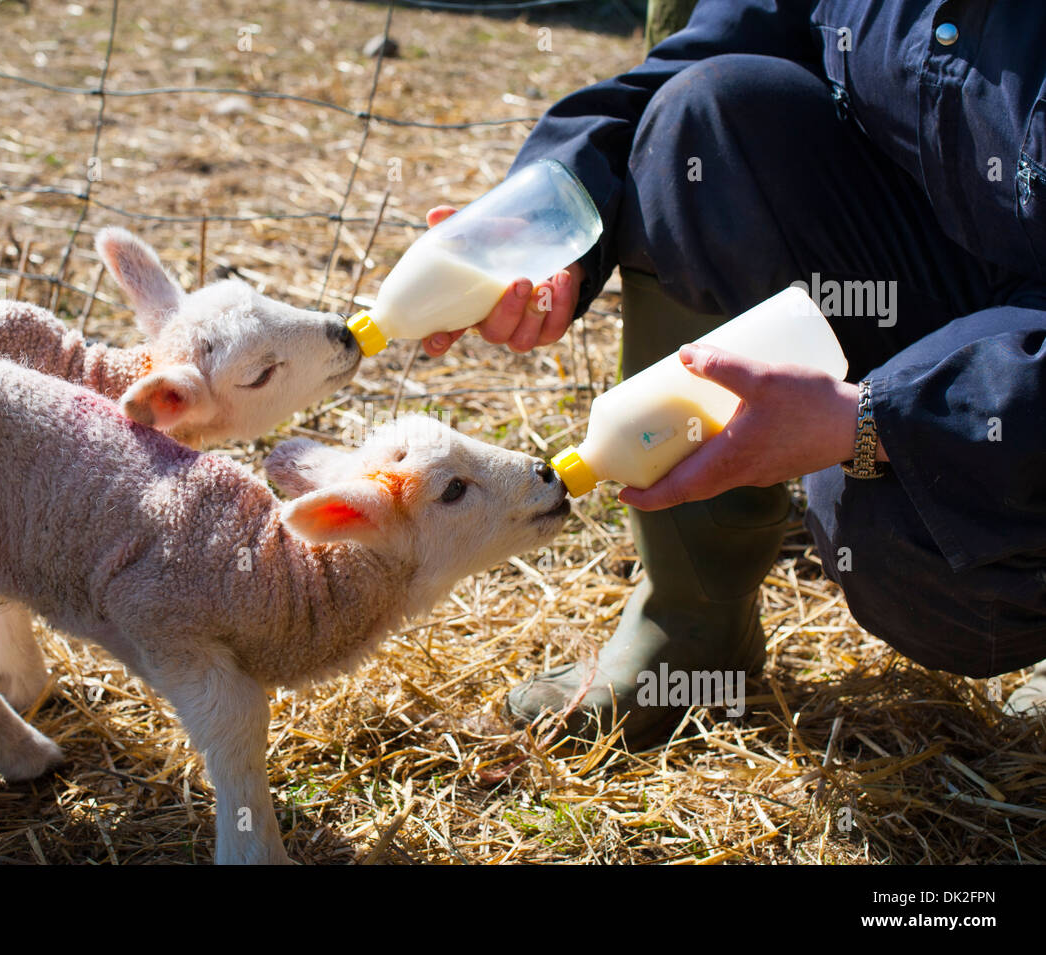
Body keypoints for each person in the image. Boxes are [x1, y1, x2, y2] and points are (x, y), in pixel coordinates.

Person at [424, 0, 1046, 748]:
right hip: (950, 262)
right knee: (702, 122)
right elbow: (690, 63)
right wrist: (549, 221)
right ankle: (693, 619)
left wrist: (885, 422)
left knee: (897, 517)